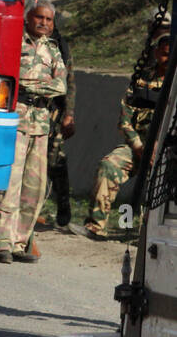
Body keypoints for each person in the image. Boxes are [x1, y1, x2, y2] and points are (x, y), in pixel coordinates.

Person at [70, 33, 169, 240]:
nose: (166, 56)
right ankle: (96, 226)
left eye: (171, 52)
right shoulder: (141, 82)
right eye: (163, 50)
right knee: (109, 165)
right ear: (156, 52)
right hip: (139, 145)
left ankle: (151, 235)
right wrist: (140, 147)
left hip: (170, 148)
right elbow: (125, 121)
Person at [0, 1, 66, 263]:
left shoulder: (53, 50)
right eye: (39, 17)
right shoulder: (15, 43)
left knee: (34, 187)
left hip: (41, 124)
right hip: (17, 119)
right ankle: (2, 240)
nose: (44, 23)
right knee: (10, 182)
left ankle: (20, 243)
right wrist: (36, 85)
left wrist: (32, 87)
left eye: (49, 19)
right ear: (28, 18)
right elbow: (10, 78)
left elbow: (60, 86)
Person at [45, 26, 77, 230]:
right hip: (26, 111)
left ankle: (63, 205)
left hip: (53, 113)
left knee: (56, 161)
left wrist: (68, 114)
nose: (44, 23)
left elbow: (70, 82)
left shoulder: (60, 46)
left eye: (48, 20)